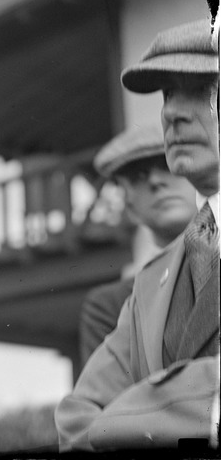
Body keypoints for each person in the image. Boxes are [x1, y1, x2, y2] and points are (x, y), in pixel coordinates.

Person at [56, 18, 220, 451]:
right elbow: (77, 418)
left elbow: (98, 424)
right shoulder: (150, 283)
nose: (171, 112)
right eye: (167, 94)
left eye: (202, 87)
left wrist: (130, 417)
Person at [77, 124, 199, 367]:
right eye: (137, 176)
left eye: (169, 165)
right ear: (129, 205)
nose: (155, 180)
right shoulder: (112, 305)